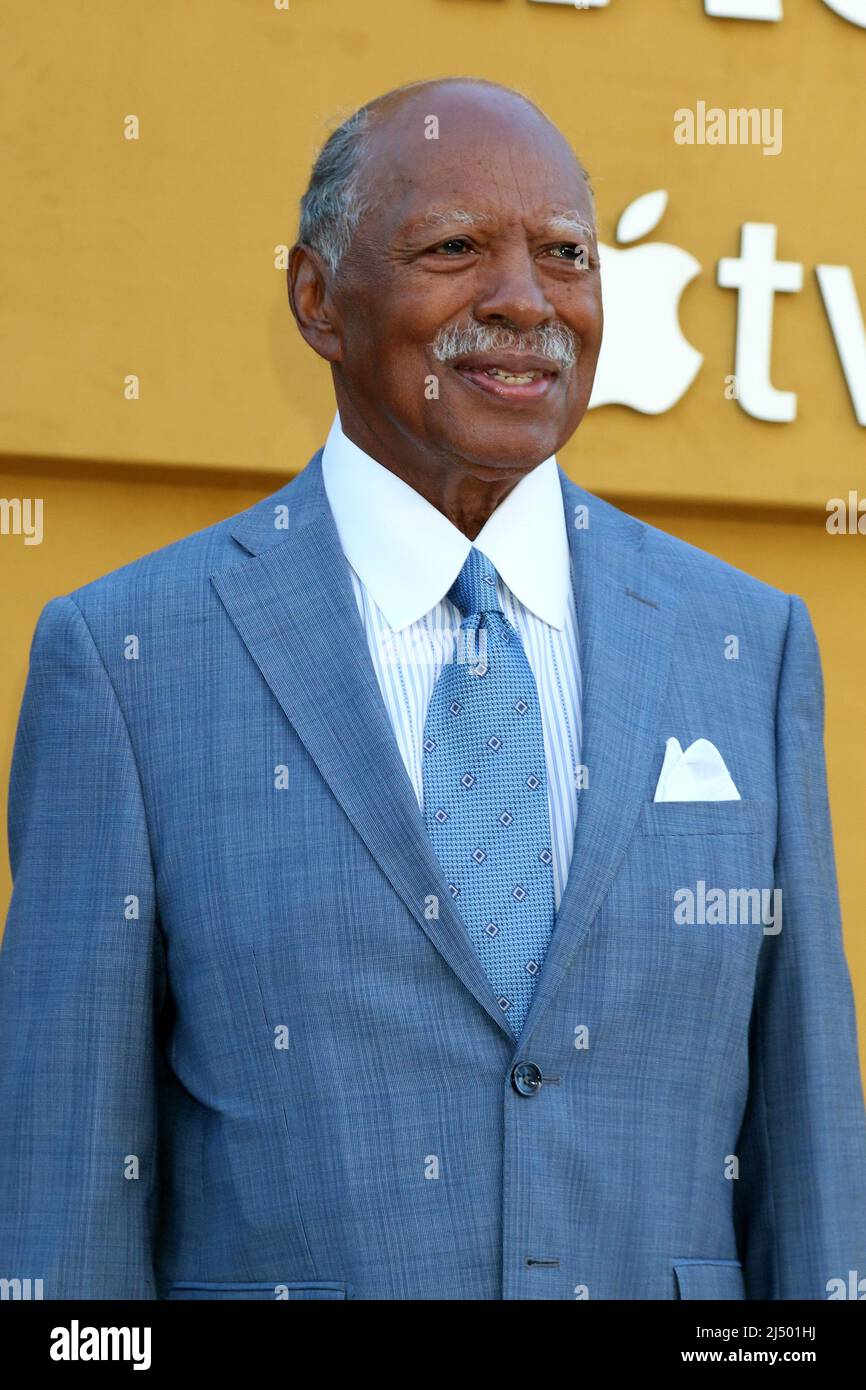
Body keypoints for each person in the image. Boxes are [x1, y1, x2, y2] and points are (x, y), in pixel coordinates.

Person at [1, 77, 864, 1301]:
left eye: (563, 254)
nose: (523, 300)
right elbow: (63, 1207)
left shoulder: (747, 645)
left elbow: (811, 1162)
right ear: (317, 301)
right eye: (455, 249)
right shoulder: (129, 662)